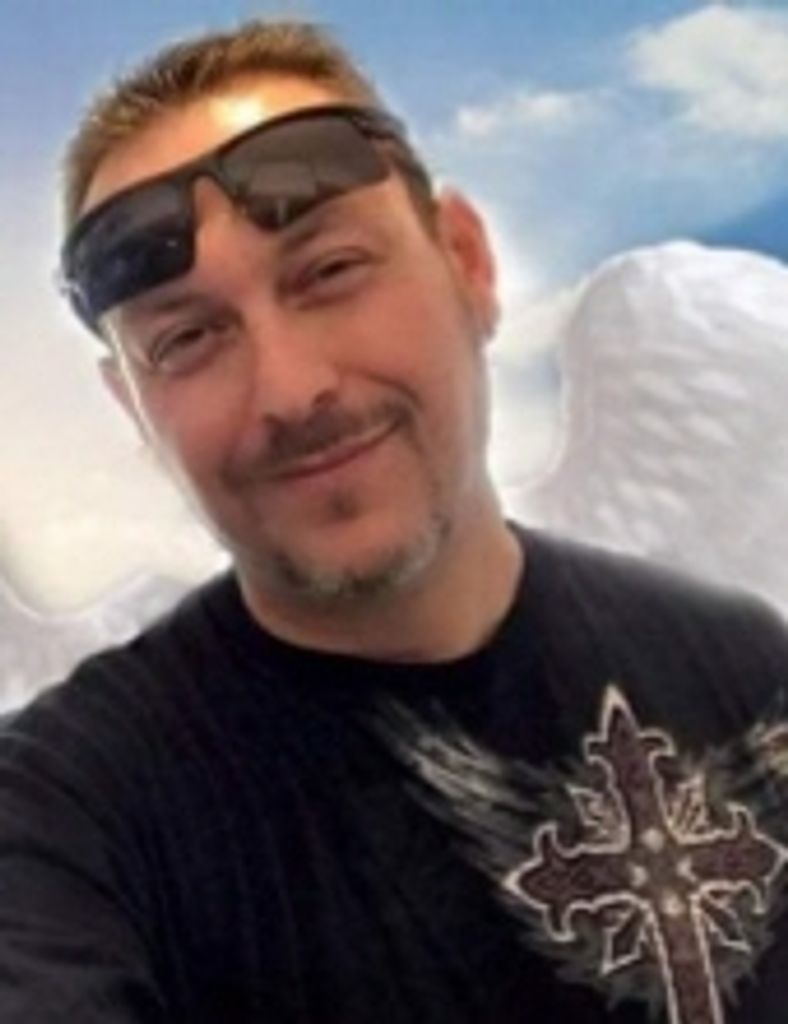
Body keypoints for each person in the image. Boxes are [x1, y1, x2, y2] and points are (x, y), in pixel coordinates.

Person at [2, 19, 788, 1024]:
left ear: (467, 262)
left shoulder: (742, 670)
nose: (290, 390)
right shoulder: (66, 818)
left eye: (328, 271)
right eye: (189, 338)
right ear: (134, 410)